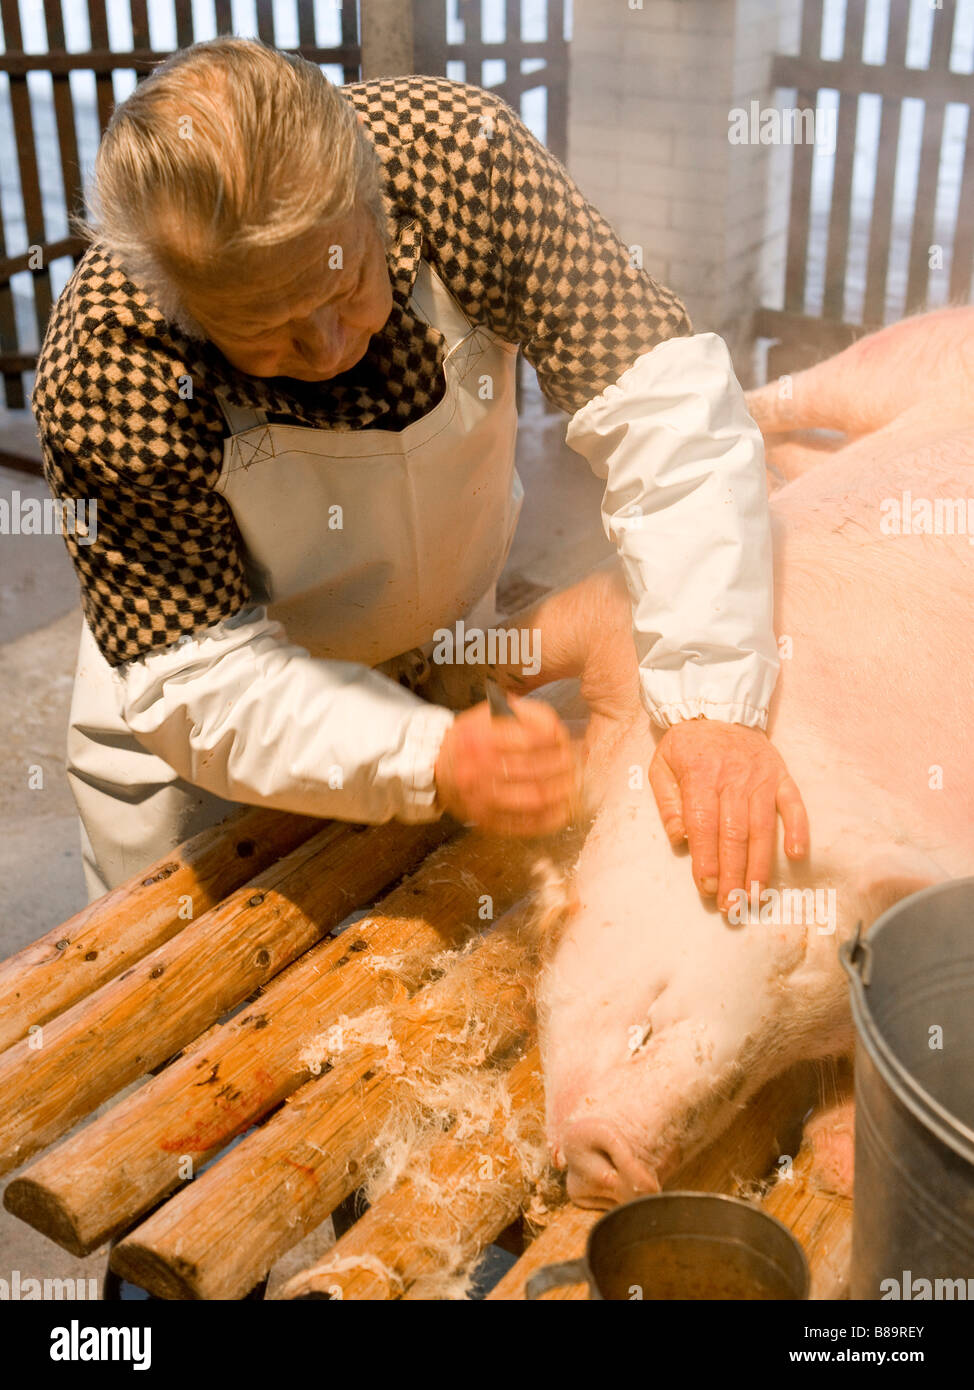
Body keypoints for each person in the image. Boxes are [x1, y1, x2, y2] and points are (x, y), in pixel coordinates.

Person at [33, 36, 808, 907]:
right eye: (268, 330)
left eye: (344, 288)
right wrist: (420, 757)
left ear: (370, 201)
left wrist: (709, 696)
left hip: (438, 644)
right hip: (216, 747)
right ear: (181, 300)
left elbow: (665, 402)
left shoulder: (462, 162)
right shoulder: (108, 362)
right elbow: (202, 672)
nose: (326, 349)